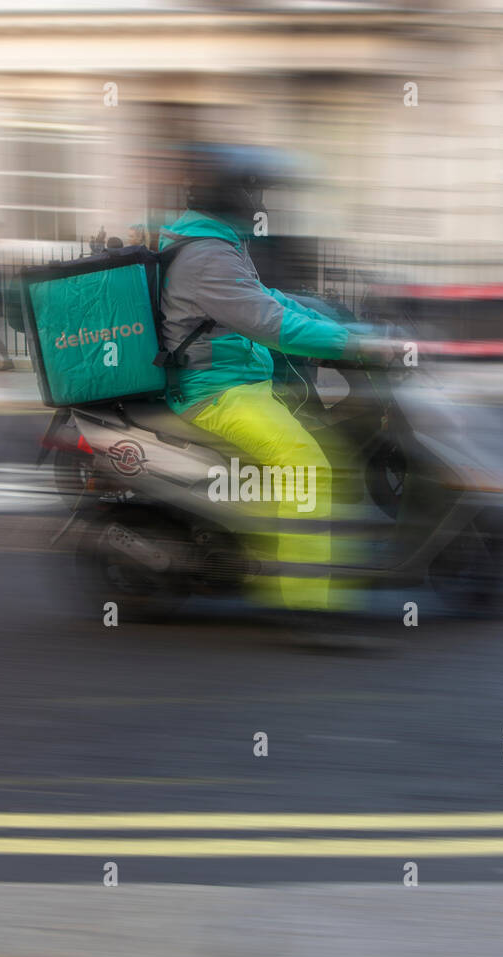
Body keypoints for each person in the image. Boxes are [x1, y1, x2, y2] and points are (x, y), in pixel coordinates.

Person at [157, 145, 397, 632]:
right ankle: (307, 603)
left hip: (245, 379)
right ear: (231, 193)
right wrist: (354, 346)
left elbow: (270, 301)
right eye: (255, 190)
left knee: (335, 443)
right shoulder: (207, 254)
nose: (261, 200)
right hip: (217, 392)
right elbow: (268, 324)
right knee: (306, 464)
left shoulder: (220, 242)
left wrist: (342, 322)